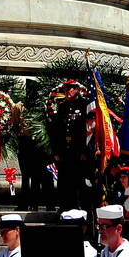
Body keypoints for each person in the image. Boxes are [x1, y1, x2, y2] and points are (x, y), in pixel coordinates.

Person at [49, 79, 89, 210]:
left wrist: (85, 151)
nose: (67, 91)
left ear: (76, 90)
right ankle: (64, 207)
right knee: (64, 181)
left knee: (79, 180)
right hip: (64, 151)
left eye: (70, 89)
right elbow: (56, 130)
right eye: (66, 89)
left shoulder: (85, 105)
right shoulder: (63, 107)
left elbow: (88, 131)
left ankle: (78, 207)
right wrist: (56, 152)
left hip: (78, 151)